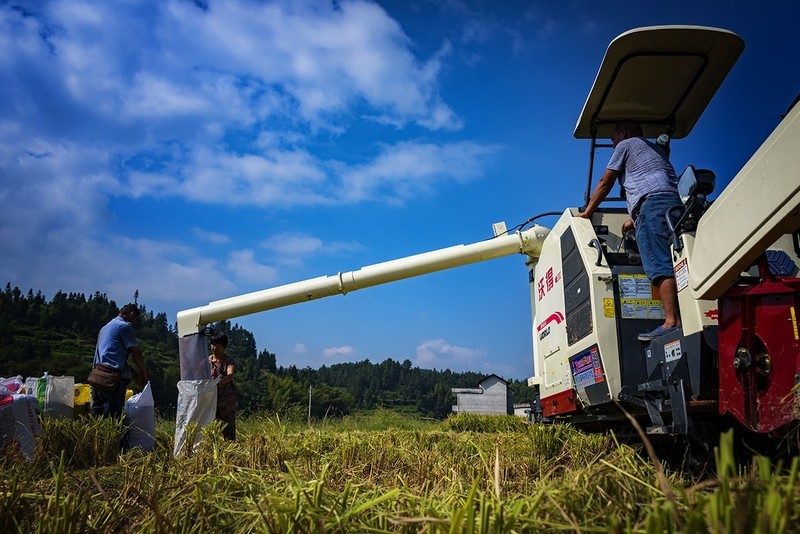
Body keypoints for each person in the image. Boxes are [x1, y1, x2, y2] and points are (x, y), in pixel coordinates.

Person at [579, 119, 682, 341]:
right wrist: (635, 220)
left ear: (623, 133)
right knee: (676, 260)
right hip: (674, 205)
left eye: (613, 139)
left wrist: (588, 212)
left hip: (652, 206)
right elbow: (659, 189)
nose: (614, 144)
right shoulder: (655, 150)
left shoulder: (627, 144)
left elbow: (605, 182)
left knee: (658, 264)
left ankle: (672, 322)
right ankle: (684, 316)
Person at [91, 304, 149, 419]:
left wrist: (134, 374)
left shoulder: (105, 328)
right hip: (111, 381)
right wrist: (144, 374)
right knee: (113, 419)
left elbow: (112, 358)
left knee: (97, 419)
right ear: (131, 314)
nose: (135, 323)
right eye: (136, 319)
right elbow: (136, 353)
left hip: (96, 378)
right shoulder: (124, 327)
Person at [209, 332, 236, 440]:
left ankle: (230, 449)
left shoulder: (228, 361)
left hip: (226, 401)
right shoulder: (207, 361)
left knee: (227, 427)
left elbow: (230, 374)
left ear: (223, 347)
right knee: (211, 427)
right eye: (212, 344)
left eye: (217, 345)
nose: (214, 348)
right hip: (210, 400)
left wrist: (222, 381)